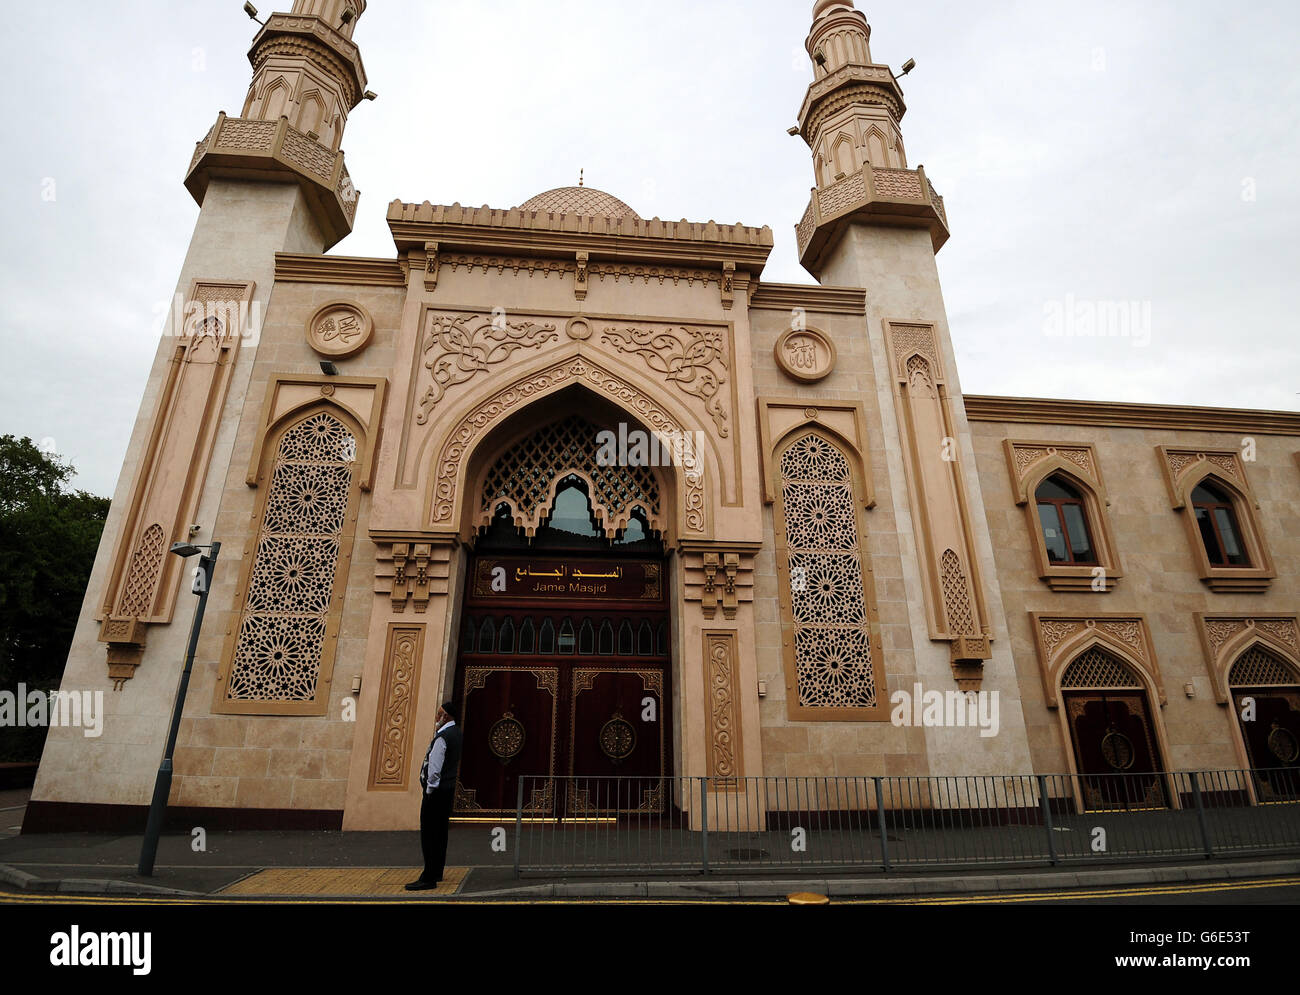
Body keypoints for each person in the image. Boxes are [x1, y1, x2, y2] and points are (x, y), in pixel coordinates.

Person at [406, 702, 462, 891]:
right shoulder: (457, 733)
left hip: (436, 794)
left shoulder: (443, 737)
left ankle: (428, 877)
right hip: (447, 791)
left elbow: (434, 770)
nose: (436, 717)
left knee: (430, 835)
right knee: (440, 834)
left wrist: (429, 791)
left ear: (446, 716)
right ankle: (437, 871)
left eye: (439, 714)